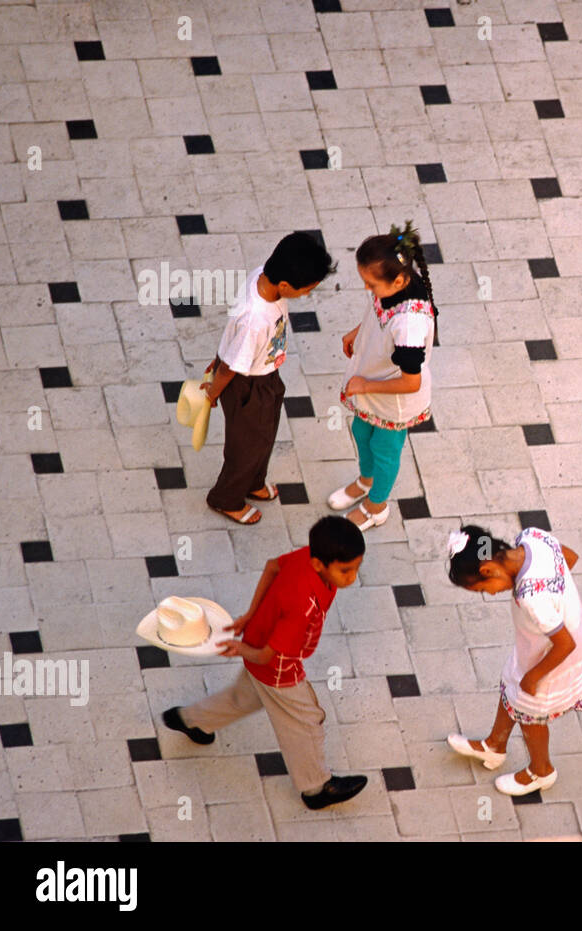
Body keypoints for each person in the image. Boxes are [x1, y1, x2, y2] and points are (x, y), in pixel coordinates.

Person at [162, 517, 370, 811]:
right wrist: (241, 649)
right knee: (305, 722)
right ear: (318, 565)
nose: (352, 577)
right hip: (279, 668)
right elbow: (266, 657)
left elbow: (273, 565)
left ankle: (189, 720)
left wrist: (250, 614)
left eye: (356, 568)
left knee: (243, 698)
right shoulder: (303, 604)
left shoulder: (304, 558)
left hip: (261, 648)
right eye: (346, 570)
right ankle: (316, 788)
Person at [445, 525, 582, 796]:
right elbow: (569, 557)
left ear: (487, 570)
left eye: (482, 589)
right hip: (536, 648)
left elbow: (565, 644)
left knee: (530, 716)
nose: (490, 595)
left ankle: (541, 771)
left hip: (552, 661)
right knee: (510, 688)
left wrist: (534, 676)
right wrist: (558, 597)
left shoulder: (531, 597)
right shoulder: (533, 538)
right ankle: (494, 745)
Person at [204, 232, 335, 525]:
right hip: (247, 385)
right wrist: (213, 392)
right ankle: (226, 498)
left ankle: (253, 482)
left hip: (264, 375)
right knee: (246, 447)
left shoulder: (260, 277)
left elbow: (232, 336)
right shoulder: (256, 318)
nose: (307, 294)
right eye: (307, 290)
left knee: (263, 438)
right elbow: (230, 368)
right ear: (286, 285)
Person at [328, 222, 438, 531]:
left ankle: (376, 506)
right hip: (374, 381)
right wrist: (357, 332)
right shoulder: (394, 286)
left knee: (385, 451)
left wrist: (365, 385)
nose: (367, 288)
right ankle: (366, 481)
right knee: (361, 433)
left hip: (395, 399)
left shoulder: (410, 326)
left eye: (371, 284)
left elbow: (410, 382)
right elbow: (375, 315)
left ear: (399, 279)